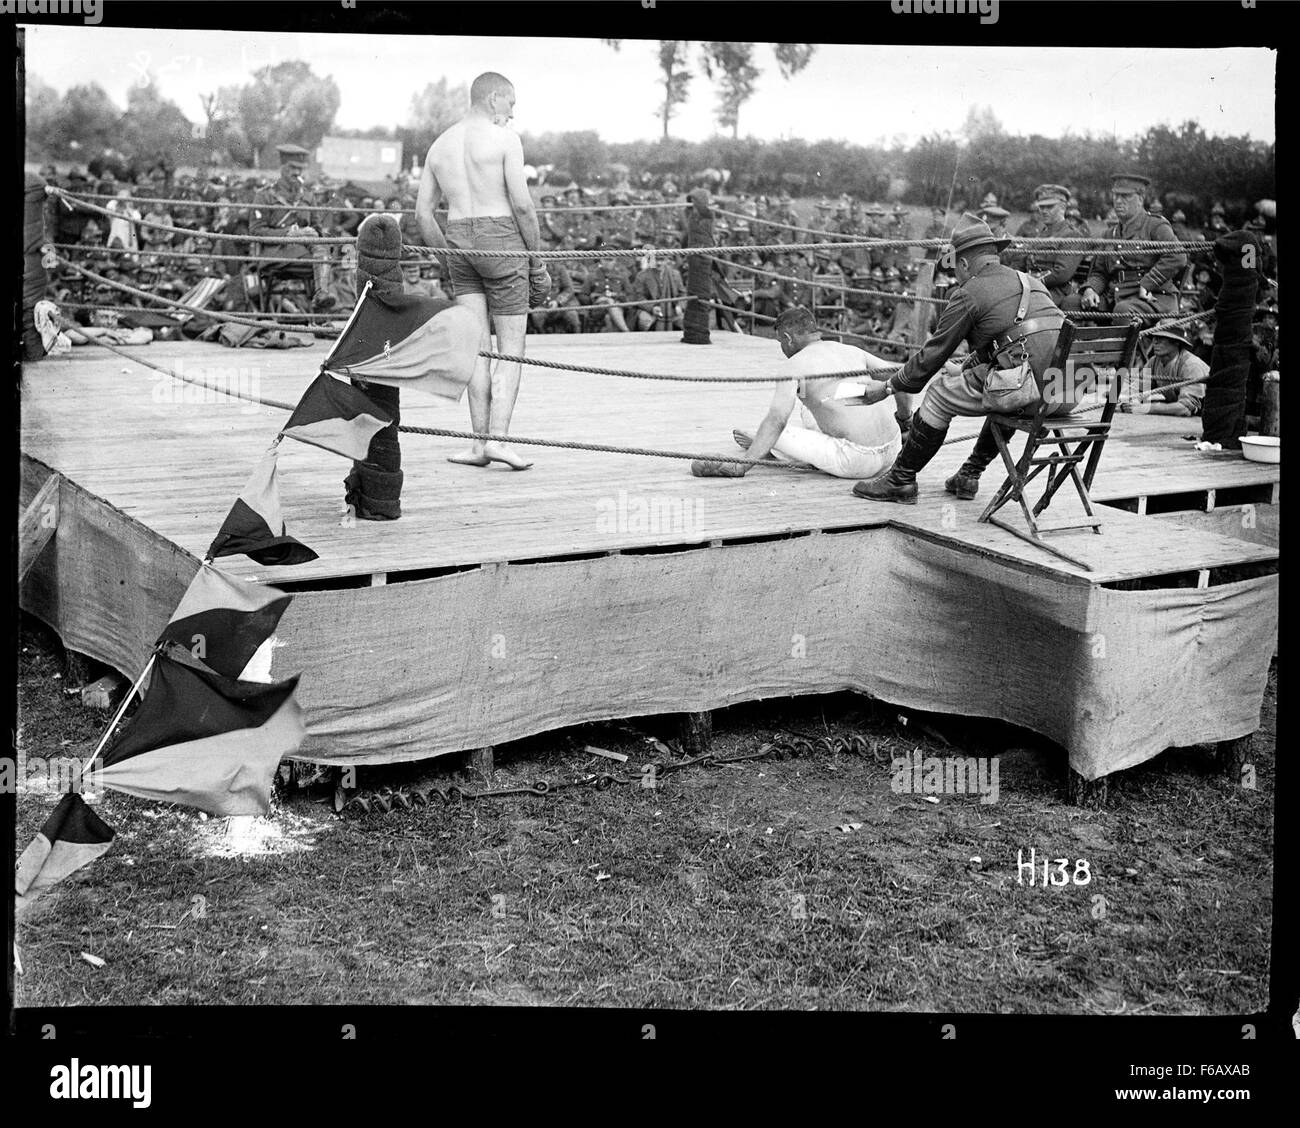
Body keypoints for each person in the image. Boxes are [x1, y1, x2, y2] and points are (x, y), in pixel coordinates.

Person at [850, 220, 1068, 504]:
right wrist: (965, 369)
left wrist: (889, 386)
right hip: (1066, 390)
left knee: (940, 393)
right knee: (1001, 385)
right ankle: (969, 474)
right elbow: (1014, 342)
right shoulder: (1031, 282)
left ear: (964, 263)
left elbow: (933, 354)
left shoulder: (969, 293)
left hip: (1028, 391)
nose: (956, 277)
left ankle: (900, 479)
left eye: (955, 270)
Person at [415, 71, 545, 469]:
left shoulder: (439, 145)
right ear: (494, 99)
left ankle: (477, 444)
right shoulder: (505, 139)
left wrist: (447, 258)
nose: (512, 114)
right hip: (501, 237)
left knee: (477, 348)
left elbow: (422, 214)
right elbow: (522, 206)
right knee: (511, 350)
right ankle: (500, 441)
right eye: (511, 104)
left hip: (457, 238)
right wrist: (537, 262)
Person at [689, 306, 903, 481]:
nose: (782, 347)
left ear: (787, 338)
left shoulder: (793, 366)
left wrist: (741, 466)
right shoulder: (850, 350)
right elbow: (900, 376)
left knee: (777, 432)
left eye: (780, 342)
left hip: (857, 460)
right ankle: (772, 446)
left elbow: (777, 420)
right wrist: (905, 418)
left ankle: (761, 445)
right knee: (813, 402)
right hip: (893, 451)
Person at [1062, 173, 1186, 320]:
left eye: (1125, 196)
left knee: (1122, 311)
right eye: (1116, 196)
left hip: (1153, 298)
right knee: (1071, 303)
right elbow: (1100, 272)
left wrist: (1148, 283)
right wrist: (1091, 289)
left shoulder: (1155, 226)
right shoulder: (1110, 234)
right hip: (1116, 297)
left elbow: (1178, 256)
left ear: (1140, 199)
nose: (1118, 201)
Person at [250, 143, 336, 312]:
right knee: (322, 261)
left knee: (325, 253)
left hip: (305, 252)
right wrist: (289, 233)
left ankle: (321, 304)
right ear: (282, 168)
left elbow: (318, 227)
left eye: (300, 169)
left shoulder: (308, 197)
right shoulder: (264, 196)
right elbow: (256, 230)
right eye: (292, 168)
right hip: (275, 254)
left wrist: (317, 233)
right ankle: (320, 308)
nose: (297, 173)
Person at [1007, 184, 1082, 305]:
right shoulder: (1041, 234)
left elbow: (1061, 274)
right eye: (1041, 207)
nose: (1044, 211)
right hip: (1030, 288)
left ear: (1063, 207)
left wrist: (1028, 281)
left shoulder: (1071, 235)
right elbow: (1021, 261)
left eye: (1049, 207)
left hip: (1053, 292)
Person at [1121, 324, 1206, 417]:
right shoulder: (1154, 361)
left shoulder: (1191, 365)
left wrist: (1147, 408)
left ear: (1176, 342)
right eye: (1154, 338)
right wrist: (1129, 402)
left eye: (1161, 338)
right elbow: (1137, 390)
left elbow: (1186, 408)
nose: (1155, 342)